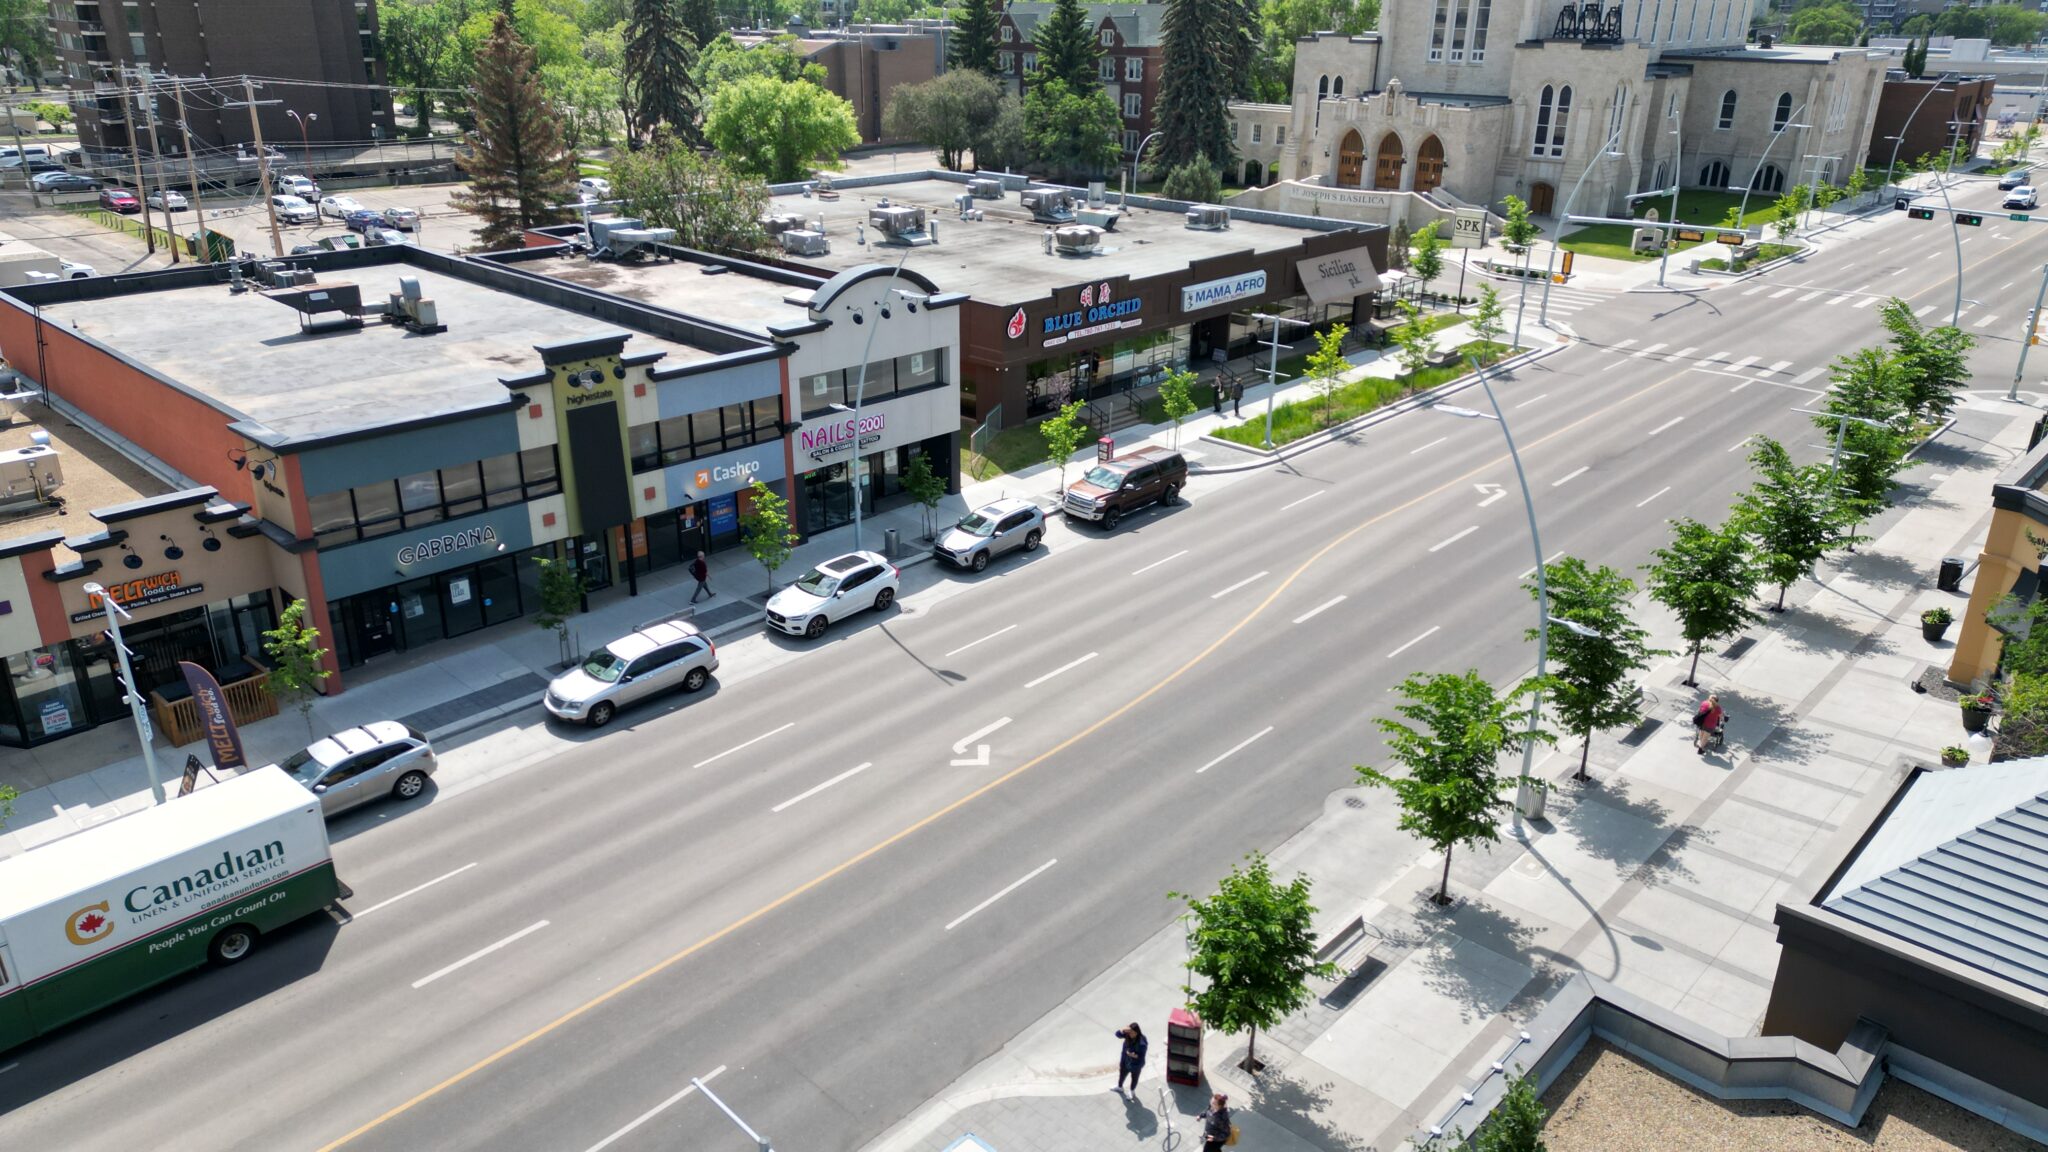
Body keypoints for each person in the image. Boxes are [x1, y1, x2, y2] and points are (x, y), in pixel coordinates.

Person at [1113, 1022, 1147, 1094]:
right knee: (1122, 1075)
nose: (1130, 1034)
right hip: (1125, 1062)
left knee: (1134, 1079)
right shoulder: (1128, 1035)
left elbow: (1141, 1056)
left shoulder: (1142, 1042)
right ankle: (1120, 1087)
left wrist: (1132, 1055)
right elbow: (1117, 1034)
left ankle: (1132, 1091)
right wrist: (1124, 1029)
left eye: (1132, 1032)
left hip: (1136, 1065)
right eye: (1129, 1032)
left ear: (1137, 1032)